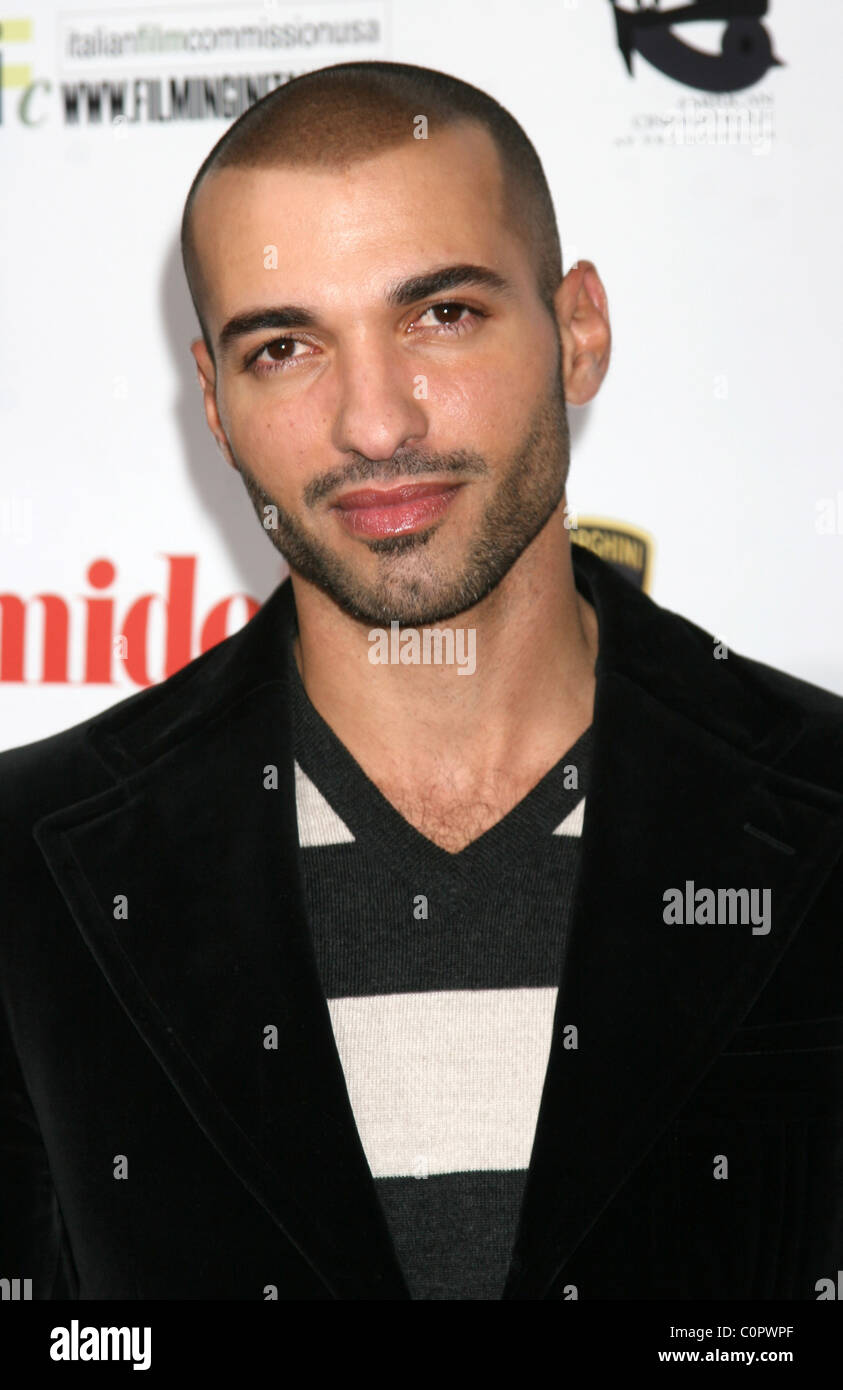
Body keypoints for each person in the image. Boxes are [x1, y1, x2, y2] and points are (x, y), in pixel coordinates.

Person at [1, 59, 841, 1302]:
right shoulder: (29, 873)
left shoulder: (820, 805)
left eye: (440, 314)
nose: (377, 424)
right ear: (218, 405)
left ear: (580, 330)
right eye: (285, 346)